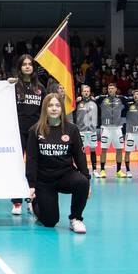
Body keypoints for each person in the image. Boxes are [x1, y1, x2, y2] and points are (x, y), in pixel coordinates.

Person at [25, 92, 90, 234]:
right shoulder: (35, 130)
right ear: (45, 109)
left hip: (65, 175)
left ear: (62, 109)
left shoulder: (72, 129)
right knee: (50, 222)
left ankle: (76, 219)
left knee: (82, 182)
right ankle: (34, 203)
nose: (54, 108)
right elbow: (31, 159)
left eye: (57, 105)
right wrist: (31, 185)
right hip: (44, 180)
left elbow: (79, 155)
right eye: (50, 106)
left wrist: (87, 179)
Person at [7, 53, 44, 213]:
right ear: (20, 68)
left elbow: (44, 112)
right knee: (16, 165)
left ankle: (30, 197)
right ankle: (16, 202)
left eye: (30, 64)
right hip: (17, 131)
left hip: (35, 132)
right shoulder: (13, 86)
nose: (27, 66)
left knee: (33, 165)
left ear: (33, 67)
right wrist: (6, 84)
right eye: (24, 64)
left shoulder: (40, 88)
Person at [97, 82, 125, 178]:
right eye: (109, 88)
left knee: (119, 150)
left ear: (116, 89)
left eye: (112, 88)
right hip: (106, 128)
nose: (110, 90)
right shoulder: (101, 99)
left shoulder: (121, 99)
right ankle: (102, 170)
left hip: (118, 128)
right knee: (103, 149)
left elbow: (134, 99)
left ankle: (118, 170)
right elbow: (91, 99)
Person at [74, 84, 99, 173]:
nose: (86, 93)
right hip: (81, 130)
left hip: (92, 130)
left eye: (87, 91)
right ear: (81, 93)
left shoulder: (95, 101)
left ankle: (95, 170)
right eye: (84, 91)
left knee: (93, 150)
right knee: (81, 151)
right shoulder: (77, 103)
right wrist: (76, 101)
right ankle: (82, 169)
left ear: (90, 93)